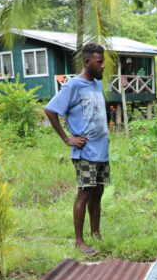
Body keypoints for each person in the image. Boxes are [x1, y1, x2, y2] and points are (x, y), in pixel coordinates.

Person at [44, 43, 109, 256]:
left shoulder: (97, 85)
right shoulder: (74, 85)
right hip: (85, 151)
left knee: (98, 192)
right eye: (99, 62)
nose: (102, 65)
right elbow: (51, 110)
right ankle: (79, 241)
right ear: (87, 62)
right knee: (84, 193)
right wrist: (67, 139)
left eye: (103, 61)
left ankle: (96, 233)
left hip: (101, 150)